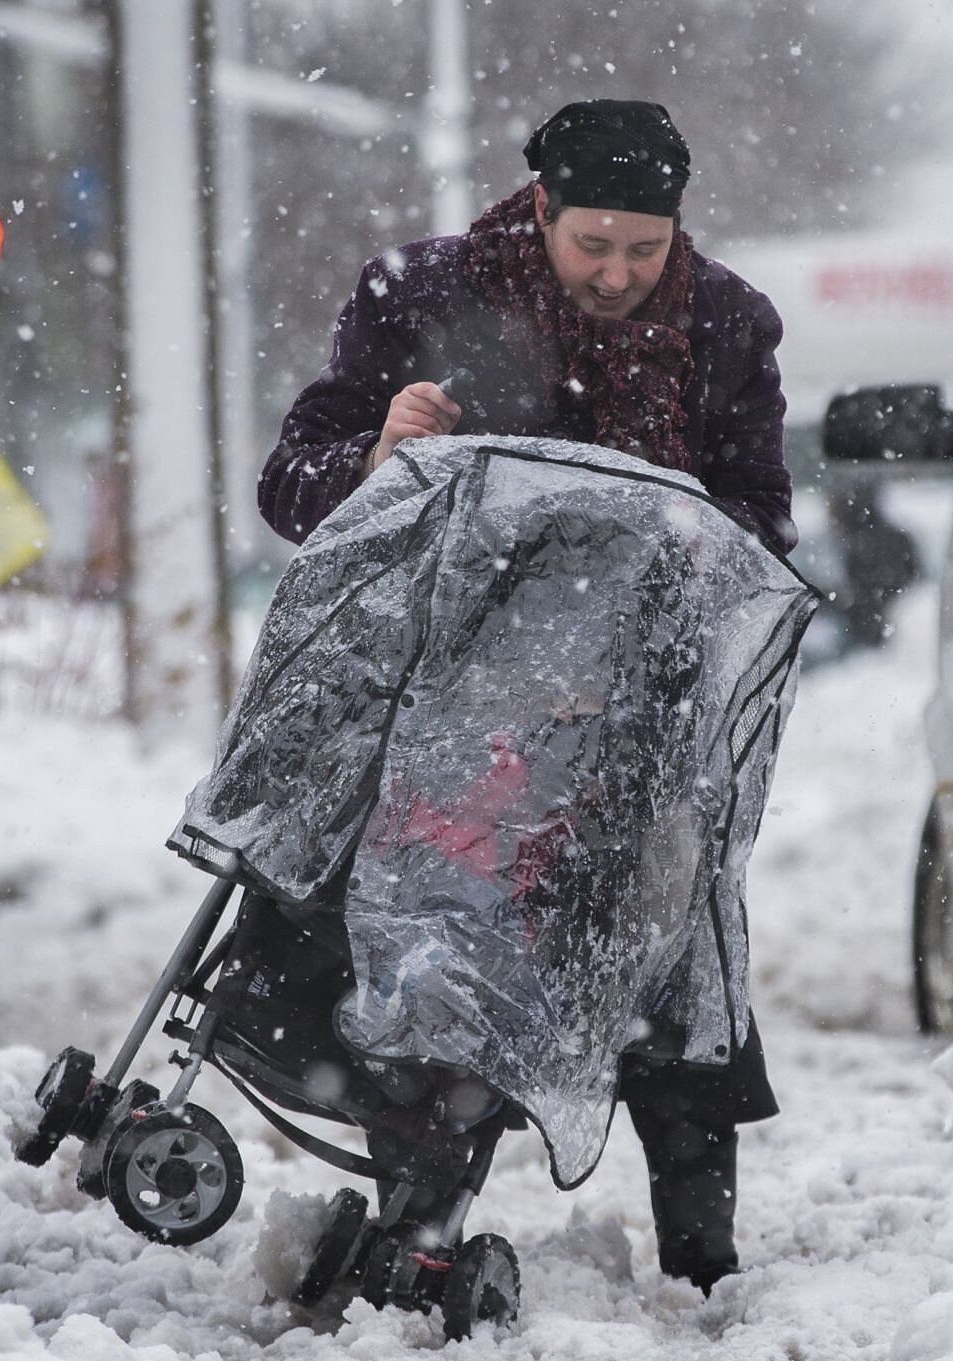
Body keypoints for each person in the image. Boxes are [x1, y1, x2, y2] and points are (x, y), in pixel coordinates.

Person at [255, 99, 795, 1295]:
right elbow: (290, 489)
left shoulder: (726, 326)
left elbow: (762, 523)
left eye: (643, 251)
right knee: (441, 965)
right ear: (539, 207)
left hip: (633, 726)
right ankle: (418, 1231)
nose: (616, 275)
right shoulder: (420, 298)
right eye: (592, 244)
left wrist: (674, 534)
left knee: (671, 969)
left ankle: (705, 1268)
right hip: (451, 727)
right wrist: (373, 454)